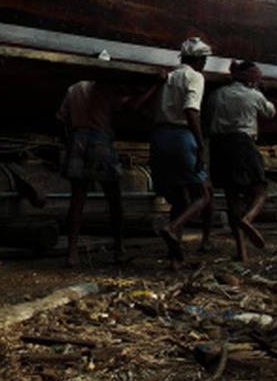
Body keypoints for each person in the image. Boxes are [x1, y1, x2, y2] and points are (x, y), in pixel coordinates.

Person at [56, 79, 159, 267]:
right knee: (114, 198)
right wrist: (152, 88)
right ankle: (119, 248)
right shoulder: (107, 87)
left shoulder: (74, 88)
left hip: (77, 138)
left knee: (77, 200)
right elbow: (129, 107)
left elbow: (62, 118)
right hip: (100, 140)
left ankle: (72, 253)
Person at [150, 37, 215, 263]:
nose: (205, 64)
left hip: (159, 136)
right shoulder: (195, 76)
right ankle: (173, 228)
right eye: (204, 59)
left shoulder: (168, 76)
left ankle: (173, 257)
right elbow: (191, 111)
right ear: (198, 59)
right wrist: (201, 144)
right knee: (203, 194)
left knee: (178, 199)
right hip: (181, 137)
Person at [207, 60, 276, 261]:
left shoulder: (215, 95)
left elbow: (207, 118)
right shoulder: (253, 95)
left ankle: (242, 252)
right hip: (242, 142)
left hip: (219, 145)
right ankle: (248, 218)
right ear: (252, 80)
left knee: (232, 198)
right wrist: (261, 92)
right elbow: (271, 113)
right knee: (260, 189)